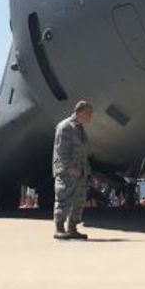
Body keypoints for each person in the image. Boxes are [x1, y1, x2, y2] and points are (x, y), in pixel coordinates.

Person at [53, 101, 93, 240]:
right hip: (67, 172)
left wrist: (87, 170)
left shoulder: (80, 129)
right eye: (88, 113)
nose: (90, 117)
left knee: (79, 201)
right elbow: (61, 151)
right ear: (80, 112)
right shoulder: (65, 126)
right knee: (64, 199)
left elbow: (83, 153)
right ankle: (59, 228)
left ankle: (72, 228)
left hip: (80, 172)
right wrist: (68, 168)